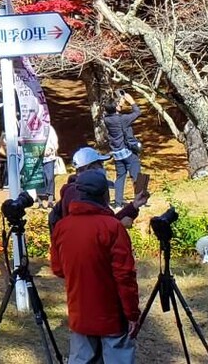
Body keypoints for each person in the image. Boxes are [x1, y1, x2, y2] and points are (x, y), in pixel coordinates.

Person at [51, 167, 140, 364]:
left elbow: (58, 269)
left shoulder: (62, 227)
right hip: (111, 315)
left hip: (79, 312)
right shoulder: (112, 227)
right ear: (104, 195)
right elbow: (124, 276)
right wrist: (132, 314)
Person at [101, 93, 143, 207]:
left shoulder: (107, 119)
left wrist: (119, 104)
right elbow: (137, 113)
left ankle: (118, 203)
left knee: (120, 176)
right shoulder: (122, 119)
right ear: (116, 108)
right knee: (137, 175)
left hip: (117, 153)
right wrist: (131, 101)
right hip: (128, 152)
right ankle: (141, 200)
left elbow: (113, 112)